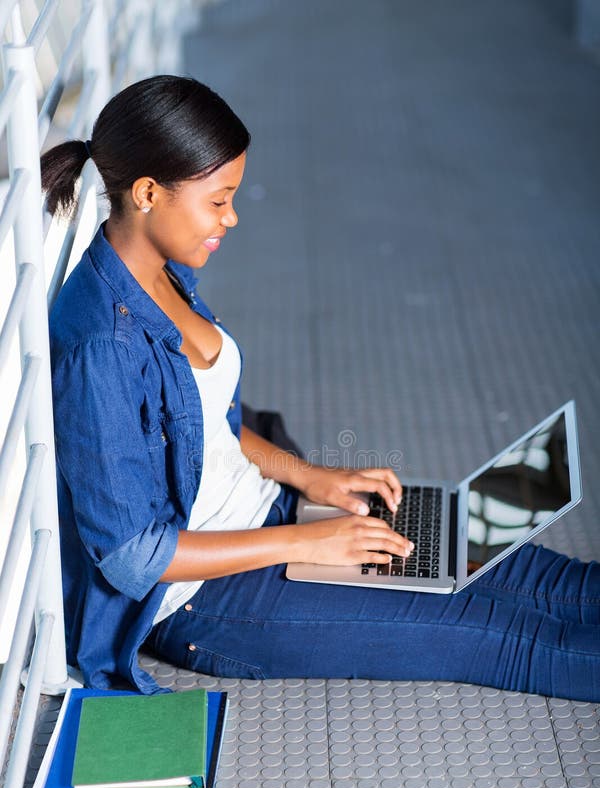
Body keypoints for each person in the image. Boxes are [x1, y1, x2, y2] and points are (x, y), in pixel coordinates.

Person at [43, 76, 600, 700]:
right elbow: (132, 557)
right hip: (205, 598)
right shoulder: (99, 348)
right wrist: (312, 540)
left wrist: (307, 478)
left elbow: (204, 428)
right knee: (502, 631)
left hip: (273, 512)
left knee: (534, 576)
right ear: (147, 193)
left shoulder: (161, 270)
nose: (231, 216)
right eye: (219, 199)